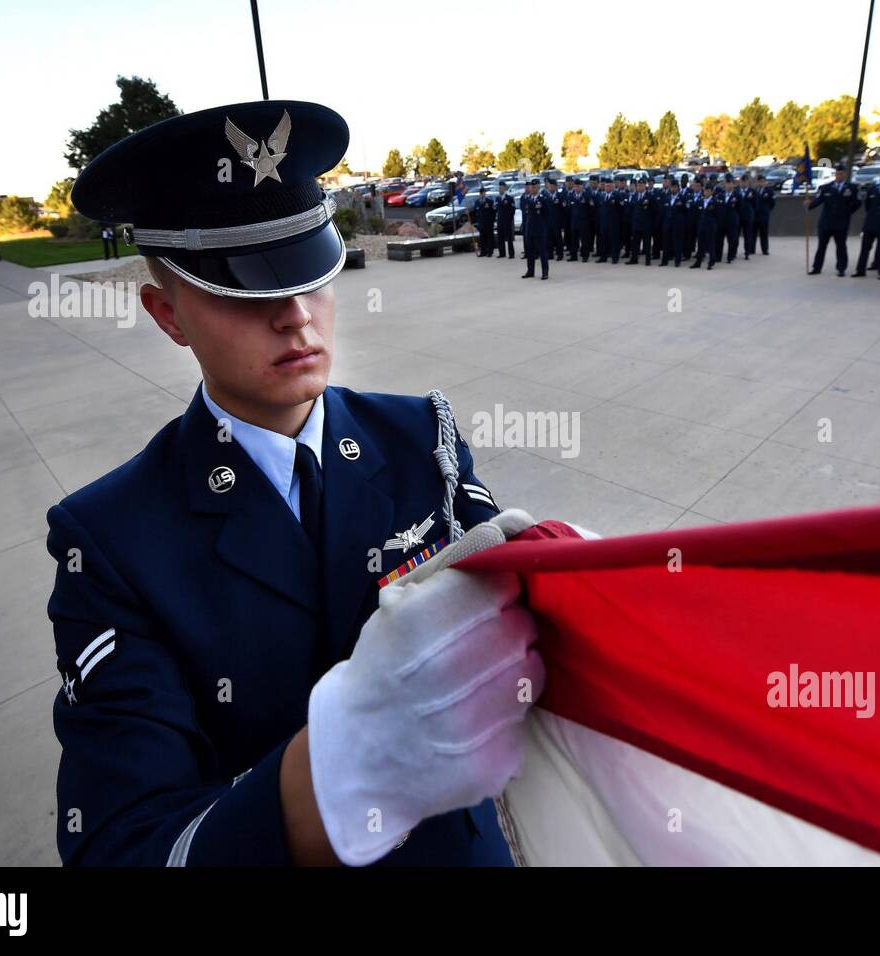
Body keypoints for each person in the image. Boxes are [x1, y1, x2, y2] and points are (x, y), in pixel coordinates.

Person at [52, 99, 542, 867]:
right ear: (167, 313)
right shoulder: (112, 542)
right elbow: (124, 846)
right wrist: (347, 762)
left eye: (309, 272)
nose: (293, 314)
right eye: (239, 286)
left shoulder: (421, 436)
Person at [807, 163, 860, 276]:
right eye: (837, 174)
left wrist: (848, 213)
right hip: (826, 223)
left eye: (841, 174)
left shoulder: (851, 188)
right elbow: (818, 200)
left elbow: (857, 203)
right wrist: (809, 205)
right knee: (821, 246)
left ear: (845, 174)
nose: (839, 176)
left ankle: (841, 268)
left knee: (841, 246)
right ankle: (817, 268)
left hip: (841, 223)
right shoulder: (826, 187)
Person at [853, 163, 880, 279]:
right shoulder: (873, 188)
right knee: (865, 248)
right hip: (871, 223)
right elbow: (868, 206)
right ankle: (860, 270)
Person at [521, 178, 550, 280]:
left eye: (534, 187)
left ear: (538, 187)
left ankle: (545, 272)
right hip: (530, 229)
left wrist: (544, 228)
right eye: (531, 187)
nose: (532, 189)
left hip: (540, 229)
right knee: (530, 252)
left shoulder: (543, 199)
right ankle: (530, 271)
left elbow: (547, 214)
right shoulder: (528, 199)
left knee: (542, 252)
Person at [691, 184, 722, 270]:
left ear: (712, 192)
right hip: (701, 226)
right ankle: (698, 262)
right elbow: (696, 213)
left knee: (711, 244)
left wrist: (715, 225)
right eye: (705, 191)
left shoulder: (715, 202)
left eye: (708, 191)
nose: (706, 192)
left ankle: (711, 261)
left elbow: (718, 215)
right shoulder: (700, 201)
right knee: (700, 244)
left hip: (710, 226)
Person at [659, 179, 687, 266]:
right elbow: (663, 211)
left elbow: (685, 212)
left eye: (675, 187)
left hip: (677, 224)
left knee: (677, 243)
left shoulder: (682, 198)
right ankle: (664, 261)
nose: (673, 189)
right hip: (667, 223)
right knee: (666, 243)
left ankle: (677, 261)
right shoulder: (666, 197)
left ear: (678, 188)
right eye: (672, 187)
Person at [627, 179, 654, 265]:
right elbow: (631, 210)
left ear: (645, 186)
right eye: (638, 185)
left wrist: (651, 222)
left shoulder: (649, 196)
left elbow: (655, 210)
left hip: (646, 224)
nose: (640, 187)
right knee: (635, 242)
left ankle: (647, 260)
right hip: (636, 223)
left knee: (647, 243)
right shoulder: (634, 196)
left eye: (642, 185)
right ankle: (634, 259)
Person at [567, 177, 592, 261]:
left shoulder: (587, 196)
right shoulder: (571, 196)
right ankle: (574, 256)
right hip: (574, 221)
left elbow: (591, 209)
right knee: (574, 240)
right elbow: (569, 209)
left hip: (584, 222)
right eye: (576, 186)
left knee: (584, 240)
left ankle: (585, 256)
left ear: (582, 187)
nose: (577, 188)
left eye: (579, 186)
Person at [752, 174, 774, 255]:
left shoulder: (769, 191)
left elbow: (772, 203)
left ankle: (765, 249)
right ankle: (751, 249)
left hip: (764, 215)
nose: (761, 183)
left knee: (764, 233)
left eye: (762, 182)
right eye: (759, 182)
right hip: (755, 215)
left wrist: (767, 210)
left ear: (765, 182)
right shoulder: (754, 191)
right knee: (753, 233)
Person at [472, 186, 496, 257]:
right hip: (481, 223)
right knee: (482, 238)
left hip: (488, 223)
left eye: (484, 193)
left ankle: (490, 252)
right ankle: (483, 252)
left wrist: (492, 221)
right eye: (481, 193)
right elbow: (475, 212)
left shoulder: (489, 202)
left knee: (489, 238)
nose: (482, 194)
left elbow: (493, 212)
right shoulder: (477, 202)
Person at [495, 181, 515, 258]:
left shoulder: (509, 198)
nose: (500, 189)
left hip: (507, 221)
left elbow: (512, 210)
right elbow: (495, 209)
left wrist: (510, 219)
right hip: (500, 221)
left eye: (502, 188)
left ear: (505, 188)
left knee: (509, 238)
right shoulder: (497, 198)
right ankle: (502, 253)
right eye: (499, 188)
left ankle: (511, 253)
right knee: (500, 238)